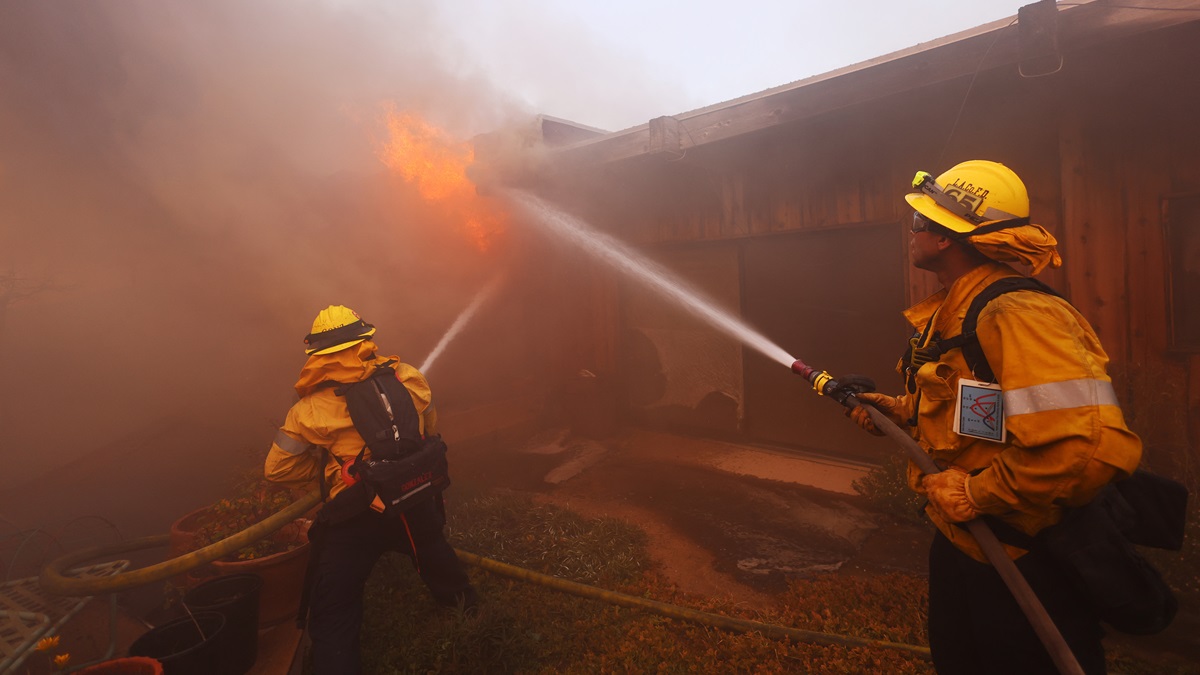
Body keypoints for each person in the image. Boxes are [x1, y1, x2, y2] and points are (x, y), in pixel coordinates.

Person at [847, 161, 1142, 674]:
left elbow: (1084, 449)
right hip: (964, 546)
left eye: (920, 222)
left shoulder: (1019, 314)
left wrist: (977, 494)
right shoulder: (958, 311)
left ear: (947, 238)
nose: (911, 233)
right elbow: (977, 407)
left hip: (1022, 559)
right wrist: (900, 412)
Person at [264, 305, 477, 675]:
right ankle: (469, 616)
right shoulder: (409, 378)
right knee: (435, 556)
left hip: (353, 513)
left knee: (335, 605)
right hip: (412, 497)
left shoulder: (308, 411)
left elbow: (278, 468)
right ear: (366, 341)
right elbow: (426, 429)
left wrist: (334, 474)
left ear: (317, 356)